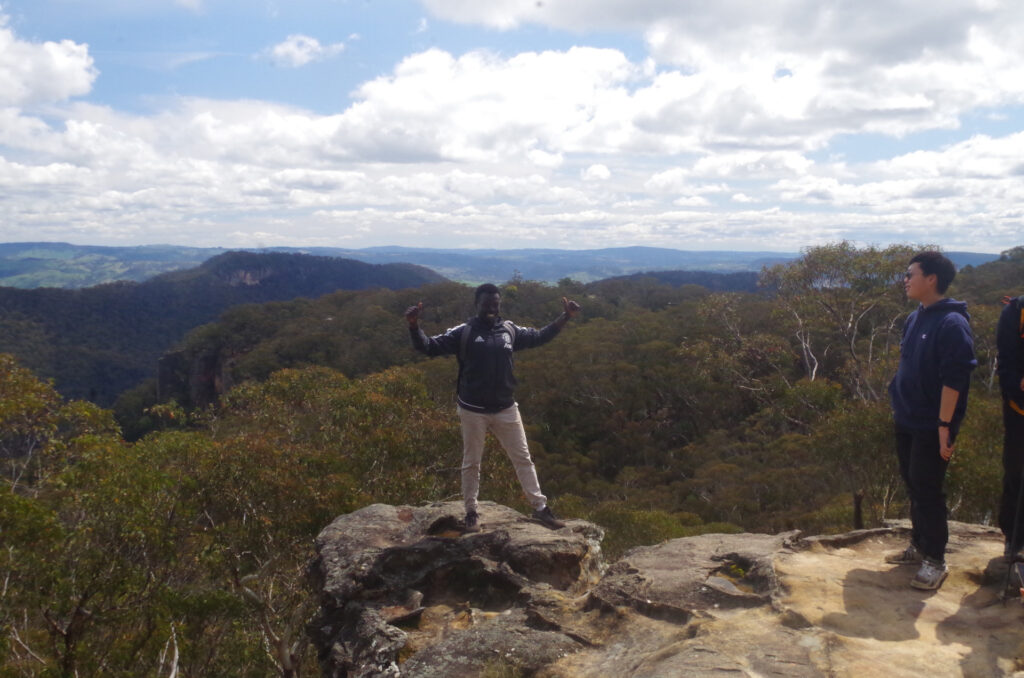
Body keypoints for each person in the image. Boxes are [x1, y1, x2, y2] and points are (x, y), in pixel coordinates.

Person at [405, 283, 580, 532]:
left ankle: (541, 509)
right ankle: (471, 513)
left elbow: (539, 336)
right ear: (477, 303)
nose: (491, 307)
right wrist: (414, 326)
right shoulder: (463, 332)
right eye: (487, 303)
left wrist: (566, 316)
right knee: (472, 462)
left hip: (506, 408)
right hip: (472, 409)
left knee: (523, 458)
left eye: (495, 303)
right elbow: (429, 346)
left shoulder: (509, 330)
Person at [886, 251, 977, 590]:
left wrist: (944, 428)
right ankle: (919, 545)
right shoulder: (915, 317)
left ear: (931, 279)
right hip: (907, 416)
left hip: (932, 424)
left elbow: (955, 380)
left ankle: (935, 560)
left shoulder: (952, 323)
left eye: (911, 274)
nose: (905, 279)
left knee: (928, 490)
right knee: (913, 484)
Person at [997, 294, 1024, 564]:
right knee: (1016, 470)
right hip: (1019, 411)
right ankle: (1014, 538)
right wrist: (1016, 387)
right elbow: (1005, 361)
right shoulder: (1016, 311)